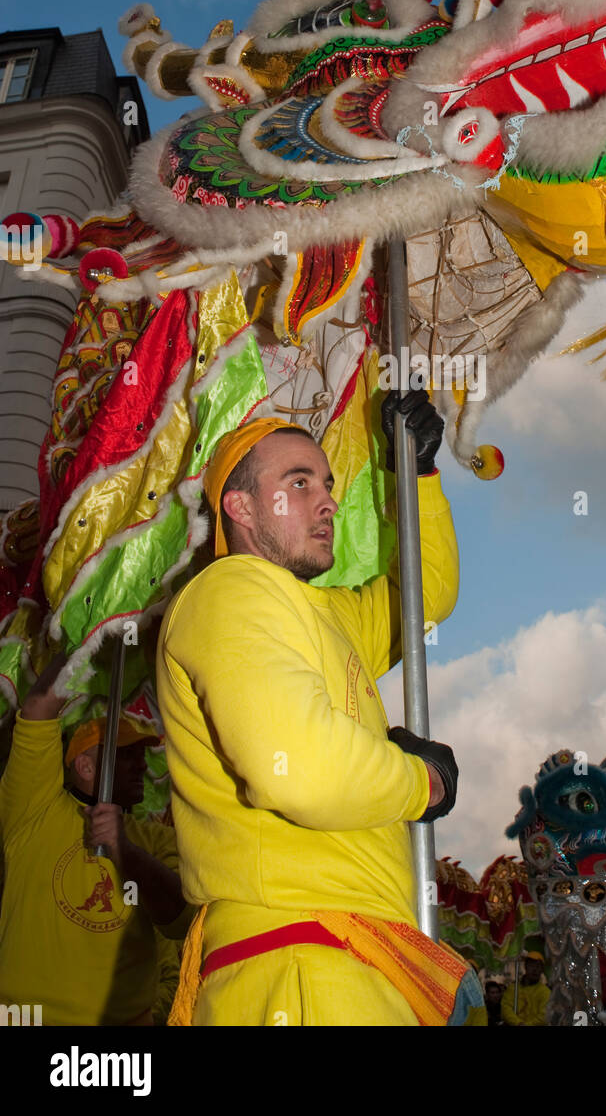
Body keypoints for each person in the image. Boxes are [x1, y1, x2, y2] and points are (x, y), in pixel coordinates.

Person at [156, 391, 462, 1026]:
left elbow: (424, 595)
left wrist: (419, 478)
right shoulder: (231, 589)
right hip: (299, 963)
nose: (328, 500)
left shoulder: (328, 613)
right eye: (298, 483)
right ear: (237, 507)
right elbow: (294, 766)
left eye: (326, 482)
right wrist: (421, 782)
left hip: (349, 956)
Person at [0, 652, 192, 1026]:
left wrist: (125, 852)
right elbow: (39, 706)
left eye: (141, 755)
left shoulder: (157, 839)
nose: (141, 765)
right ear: (86, 766)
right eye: (126, 755)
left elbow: (178, 918)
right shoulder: (33, 810)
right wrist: (91, 635)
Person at [502, 952, 551, 1026]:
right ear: (525, 966)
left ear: (542, 970)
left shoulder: (545, 992)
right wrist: (517, 1023)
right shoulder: (513, 988)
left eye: (538, 966)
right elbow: (505, 1009)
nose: (535, 969)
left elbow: (544, 1016)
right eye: (532, 965)